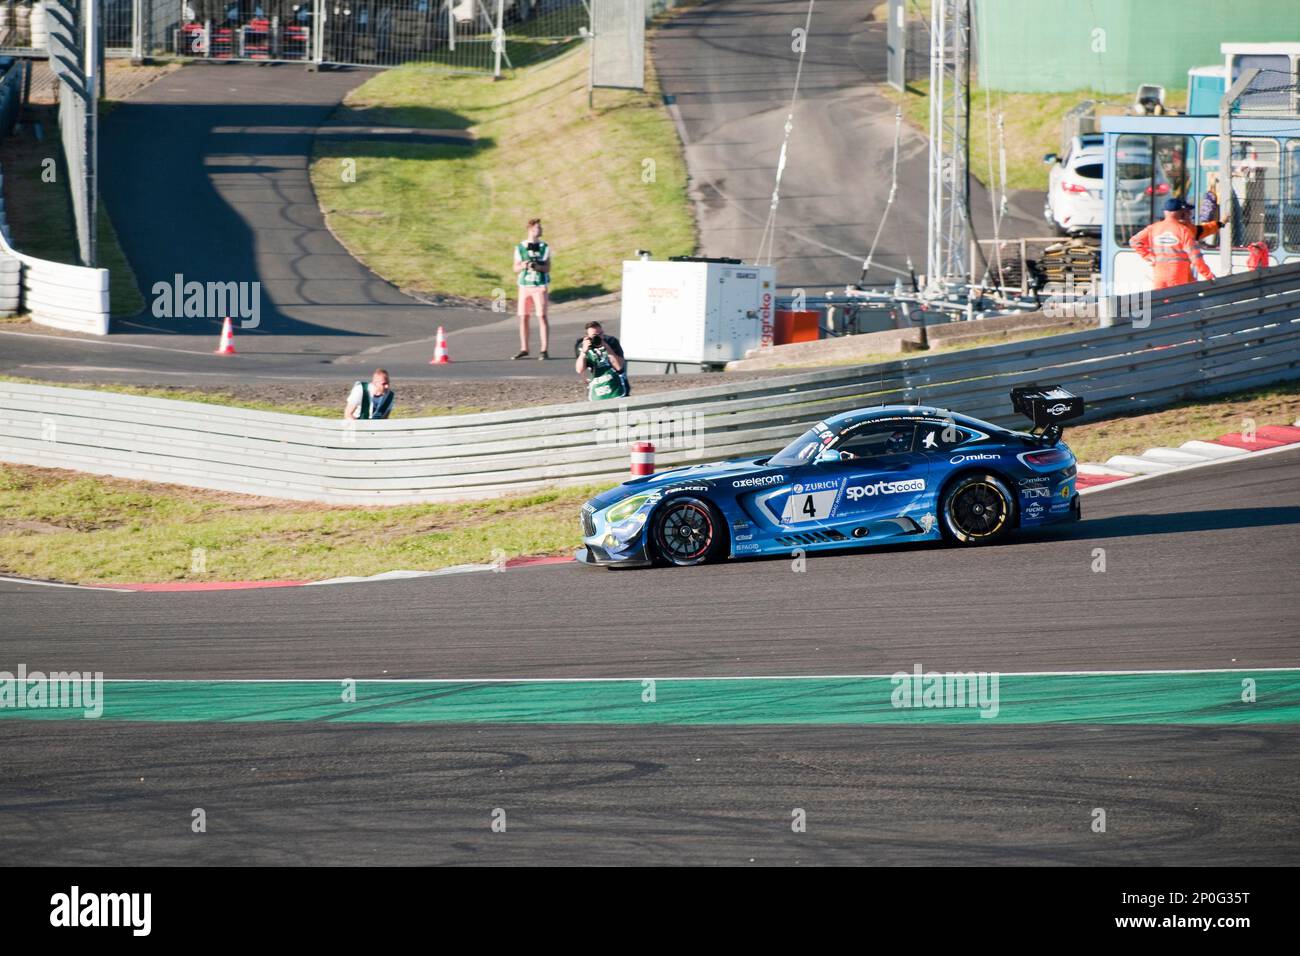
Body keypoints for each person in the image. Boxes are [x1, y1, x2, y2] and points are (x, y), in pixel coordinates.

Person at [1129, 198, 1215, 290]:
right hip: (1178, 278)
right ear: (1180, 212)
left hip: (1159, 276)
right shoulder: (1183, 231)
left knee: (1161, 303)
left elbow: (1134, 241)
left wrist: (1148, 256)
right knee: (1177, 302)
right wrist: (1208, 275)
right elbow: (1195, 257)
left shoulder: (1153, 228)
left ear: (1165, 212)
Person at [512, 218, 551, 360]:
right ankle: (524, 348)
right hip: (524, 285)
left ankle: (544, 349)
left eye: (540, 228)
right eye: (537, 228)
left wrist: (538, 267)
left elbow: (547, 267)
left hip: (540, 285)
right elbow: (515, 268)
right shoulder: (520, 247)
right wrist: (523, 265)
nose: (540, 230)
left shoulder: (544, 247)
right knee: (523, 317)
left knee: (541, 316)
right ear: (530, 229)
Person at [573, 320, 629, 396]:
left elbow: (619, 366)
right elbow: (579, 370)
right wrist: (583, 352)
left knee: (622, 407)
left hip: (618, 388)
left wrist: (607, 347)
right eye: (594, 335)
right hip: (598, 390)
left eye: (601, 334)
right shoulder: (582, 345)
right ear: (587, 336)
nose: (598, 337)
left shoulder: (611, 342)